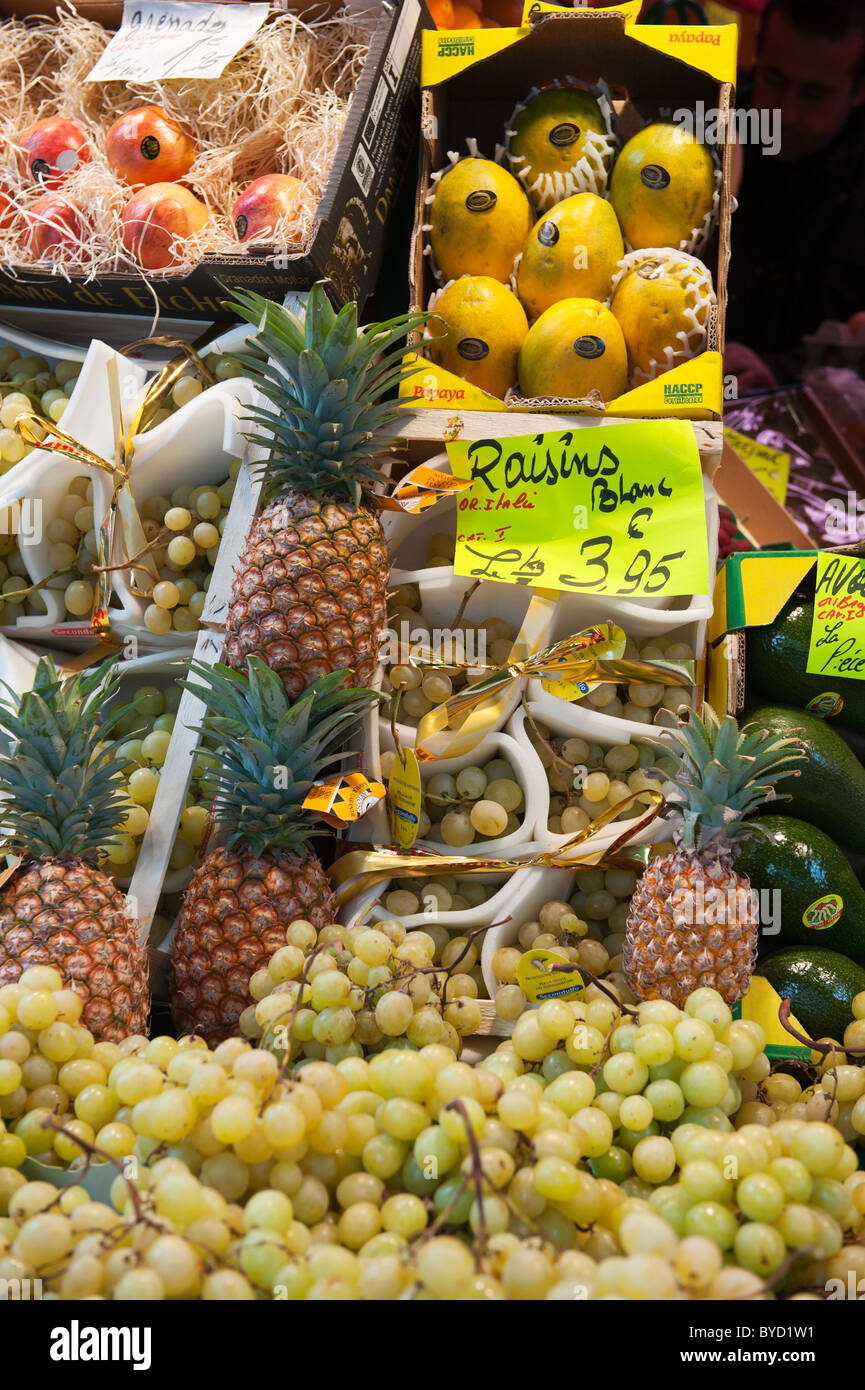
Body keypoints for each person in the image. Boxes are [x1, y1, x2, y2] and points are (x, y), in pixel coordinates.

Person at [725, 0, 865, 392]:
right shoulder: (709, 119)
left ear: (858, 90)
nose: (784, 113)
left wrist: (785, 370)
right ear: (757, 53)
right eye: (774, 79)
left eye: (815, 94)